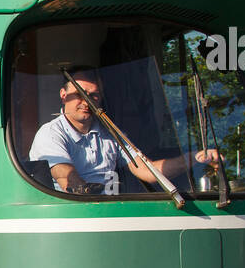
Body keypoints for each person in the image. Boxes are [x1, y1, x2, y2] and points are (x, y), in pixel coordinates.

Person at [28, 67, 218, 195]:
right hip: (74, 215)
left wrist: (194, 158)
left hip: (111, 211)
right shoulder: (50, 133)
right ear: (63, 95)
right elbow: (67, 179)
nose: (87, 102)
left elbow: (148, 171)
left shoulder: (111, 132)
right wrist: (88, 191)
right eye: (80, 94)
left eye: (93, 95)